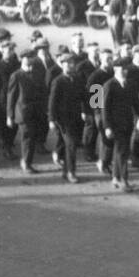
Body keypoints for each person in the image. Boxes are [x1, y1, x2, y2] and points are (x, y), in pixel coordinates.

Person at [48, 51, 86, 184]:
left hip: (76, 118)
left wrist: (92, 109)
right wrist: (51, 120)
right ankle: (71, 172)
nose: (71, 65)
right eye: (67, 63)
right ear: (62, 65)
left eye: (72, 63)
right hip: (63, 120)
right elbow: (52, 102)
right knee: (71, 145)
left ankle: (65, 170)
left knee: (68, 145)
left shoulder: (78, 79)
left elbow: (85, 96)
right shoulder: (58, 81)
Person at [103, 57, 137, 191]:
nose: (125, 72)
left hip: (127, 124)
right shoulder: (109, 85)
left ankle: (115, 177)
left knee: (120, 151)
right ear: (116, 69)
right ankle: (124, 180)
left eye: (126, 69)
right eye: (123, 69)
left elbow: (136, 103)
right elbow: (104, 108)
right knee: (122, 152)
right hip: (115, 125)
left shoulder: (129, 84)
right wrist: (107, 127)